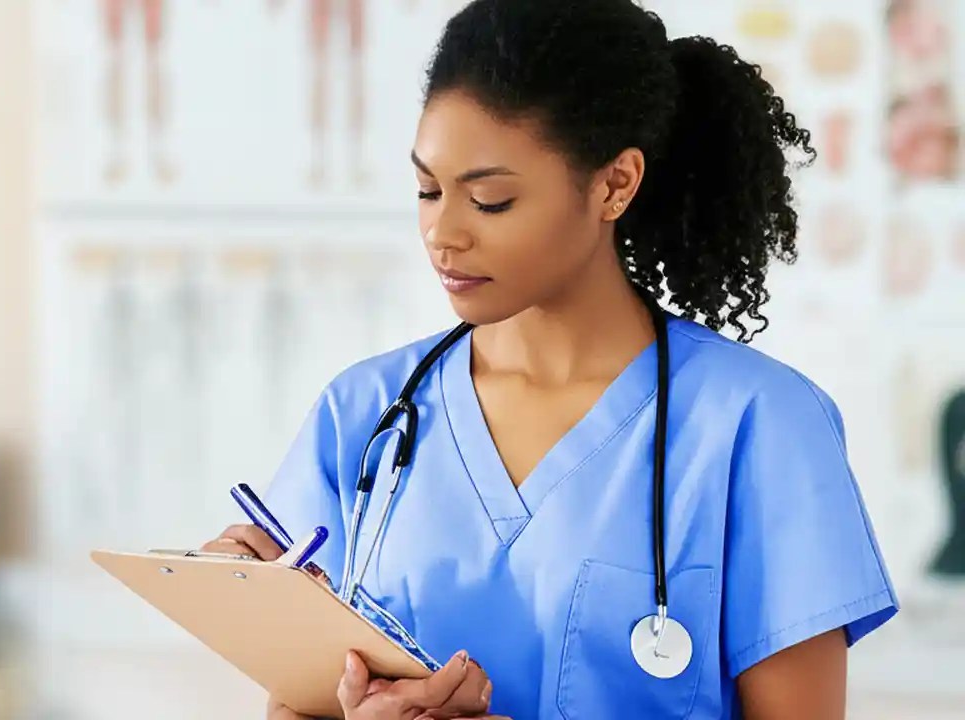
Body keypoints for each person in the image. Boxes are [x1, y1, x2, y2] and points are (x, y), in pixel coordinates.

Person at [202, 1, 898, 717]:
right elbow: (296, 707)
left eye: (491, 200)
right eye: (427, 190)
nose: (443, 233)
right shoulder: (365, 412)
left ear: (614, 185)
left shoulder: (759, 425)